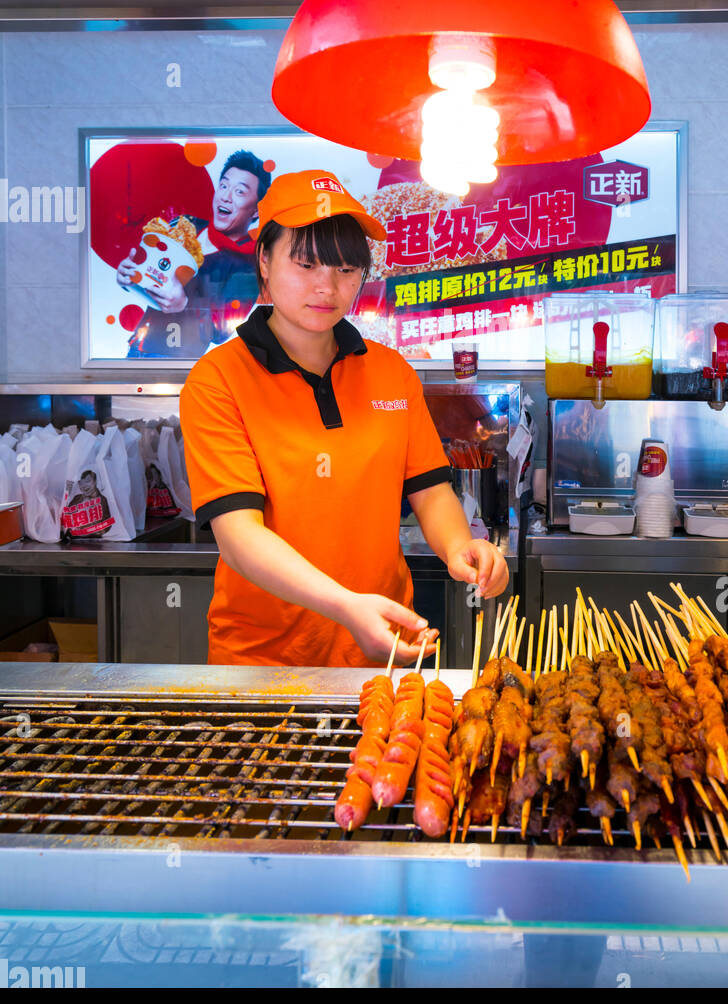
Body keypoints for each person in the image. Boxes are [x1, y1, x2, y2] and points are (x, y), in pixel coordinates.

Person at [179, 169, 509, 667]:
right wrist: (346, 607)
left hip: (384, 649)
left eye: (346, 269)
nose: (327, 287)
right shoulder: (219, 379)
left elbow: (430, 488)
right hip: (263, 660)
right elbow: (238, 536)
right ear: (265, 260)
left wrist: (463, 549)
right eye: (307, 264)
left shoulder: (391, 372)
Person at [118, 151, 272, 358]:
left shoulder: (249, 264)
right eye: (224, 185)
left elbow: (221, 330)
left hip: (178, 363)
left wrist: (184, 304)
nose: (225, 196)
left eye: (240, 192)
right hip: (137, 348)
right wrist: (131, 274)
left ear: (255, 211)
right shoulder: (186, 224)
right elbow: (153, 273)